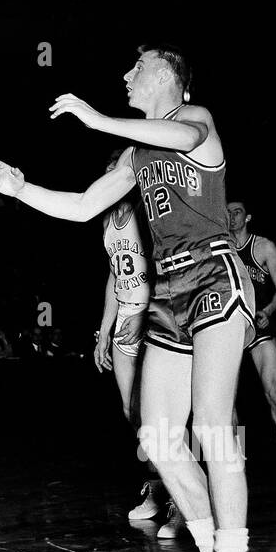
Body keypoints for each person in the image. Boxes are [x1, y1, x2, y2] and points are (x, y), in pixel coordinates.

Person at [0, 45, 255, 552]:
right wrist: (22, 190)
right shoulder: (135, 155)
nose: (125, 76)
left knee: (213, 425)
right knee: (158, 436)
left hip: (214, 276)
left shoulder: (198, 120)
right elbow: (85, 206)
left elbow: (180, 136)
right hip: (167, 293)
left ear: (167, 76)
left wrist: (95, 118)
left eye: (137, 68)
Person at [92, 150, 172, 525]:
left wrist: (145, 316)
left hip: (156, 315)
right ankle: (157, 487)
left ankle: (178, 499)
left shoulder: (145, 212)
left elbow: (162, 270)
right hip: (124, 315)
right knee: (133, 412)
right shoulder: (108, 218)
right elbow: (114, 274)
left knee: (161, 413)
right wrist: (104, 331)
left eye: (117, 172)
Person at [228, 202, 276, 476]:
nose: (231, 216)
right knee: (225, 402)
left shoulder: (264, 247)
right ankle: (234, 457)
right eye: (227, 211)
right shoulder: (220, 247)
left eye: (236, 211)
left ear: (248, 217)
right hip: (230, 329)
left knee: (274, 391)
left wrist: (268, 311)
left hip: (259, 326)